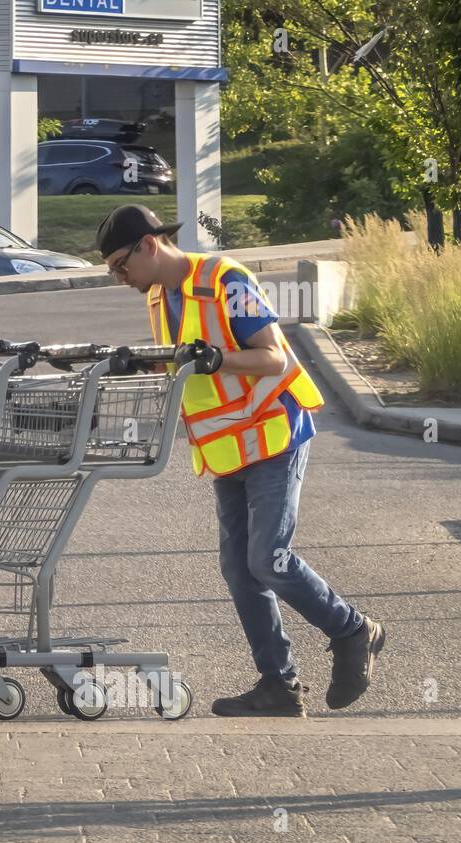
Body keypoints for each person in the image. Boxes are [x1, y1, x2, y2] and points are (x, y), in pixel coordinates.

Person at [95, 204, 385, 716]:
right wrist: (142, 363)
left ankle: (353, 630)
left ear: (149, 244)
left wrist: (216, 357)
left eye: (121, 265)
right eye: (113, 271)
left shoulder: (225, 279)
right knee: (237, 567)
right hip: (227, 446)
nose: (121, 278)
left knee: (266, 559)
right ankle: (279, 684)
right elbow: (183, 361)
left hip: (275, 432)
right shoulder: (159, 295)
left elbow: (276, 357)